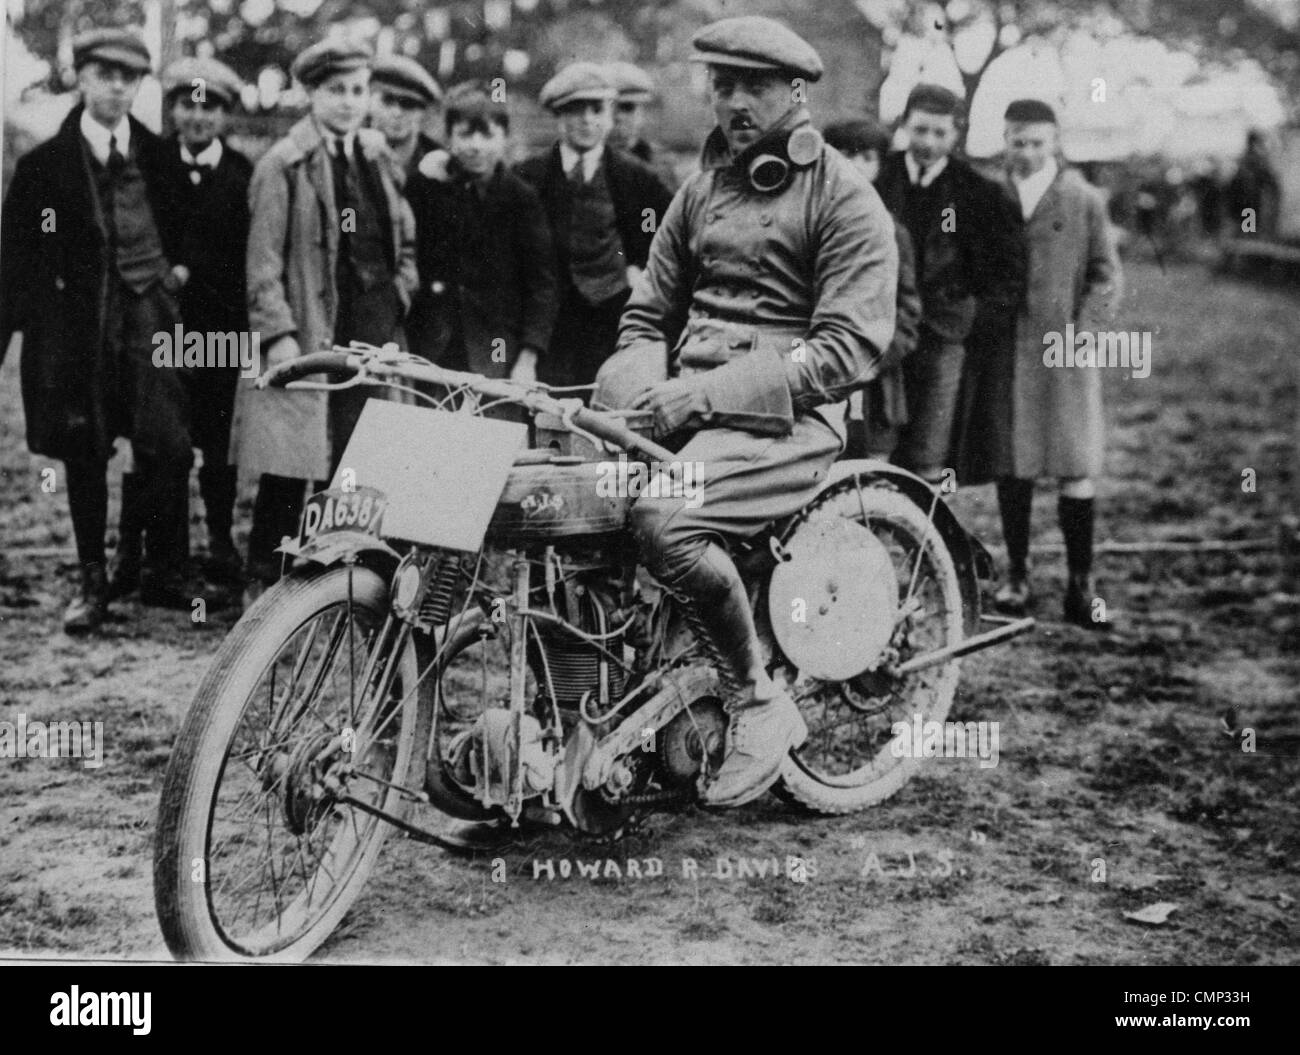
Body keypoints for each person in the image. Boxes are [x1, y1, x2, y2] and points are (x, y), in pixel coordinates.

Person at [596, 16, 898, 806]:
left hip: (789, 422)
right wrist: (625, 395)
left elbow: (840, 351)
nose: (732, 102)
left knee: (665, 517)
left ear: (795, 92)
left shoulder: (846, 200)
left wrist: (701, 395)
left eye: (752, 86)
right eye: (722, 85)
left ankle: (756, 702)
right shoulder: (700, 191)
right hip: (689, 417)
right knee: (565, 502)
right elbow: (645, 316)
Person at [0, 28, 192, 633]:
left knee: (162, 439)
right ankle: (92, 581)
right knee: (84, 450)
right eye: (104, 73)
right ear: (80, 78)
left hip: (148, 320)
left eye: (129, 76)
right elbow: (14, 263)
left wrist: (175, 275)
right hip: (76, 331)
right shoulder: (43, 168)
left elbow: (190, 230)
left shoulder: (160, 156)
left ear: (139, 85)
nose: (116, 85)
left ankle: (140, 563)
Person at [229, 38, 418, 598]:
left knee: (360, 456)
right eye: (335, 90)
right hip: (312, 329)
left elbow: (403, 240)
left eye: (358, 91)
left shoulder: (378, 159)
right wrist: (279, 335)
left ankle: (338, 580)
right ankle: (266, 582)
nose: (348, 102)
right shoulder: (284, 165)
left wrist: (398, 294)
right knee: (292, 462)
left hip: (373, 331)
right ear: (310, 93)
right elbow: (262, 264)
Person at [964, 100, 1122, 629]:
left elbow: (1105, 273)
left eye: (1036, 142)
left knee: (1075, 462)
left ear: (1054, 141)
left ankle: (1081, 584)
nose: (1026, 152)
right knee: (1015, 463)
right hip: (1007, 350)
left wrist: (1087, 331)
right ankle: (1017, 575)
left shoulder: (1082, 199)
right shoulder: (991, 195)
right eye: (1017, 141)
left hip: (1066, 350)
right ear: (1004, 140)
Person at [112, 56, 251, 598]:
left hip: (221, 327)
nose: (197, 117)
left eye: (209, 106)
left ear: (225, 114)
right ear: (171, 110)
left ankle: (220, 543)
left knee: (218, 442)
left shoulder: (243, 173)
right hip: (159, 326)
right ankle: (141, 552)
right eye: (187, 105)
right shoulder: (149, 164)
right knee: (155, 439)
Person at [875, 84, 1023, 483]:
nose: (928, 142)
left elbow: (1007, 274)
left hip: (944, 336)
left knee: (930, 448)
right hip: (879, 334)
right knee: (876, 444)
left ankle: (924, 539)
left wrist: (971, 318)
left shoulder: (979, 193)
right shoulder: (876, 179)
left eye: (940, 133)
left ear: (957, 135)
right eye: (920, 130)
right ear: (904, 125)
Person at [516, 62, 673, 391]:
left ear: (609, 114)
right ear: (558, 116)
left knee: (608, 403)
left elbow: (667, 231)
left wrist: (638, 267)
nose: (588, 120)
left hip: (612, 314)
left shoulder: (636, 176)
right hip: (548, 322)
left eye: (597, 110)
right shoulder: (528, 176)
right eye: (576, 111)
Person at [405, 82, 557, 387]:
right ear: (448, 139)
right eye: (464, 134)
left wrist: (528, 358)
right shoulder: (428, 189)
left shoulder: (521, 198)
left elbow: (542, 284)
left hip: (496, 348)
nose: (476, 146)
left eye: (487, 135)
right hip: (433, 345)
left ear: (504, 139)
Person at [823, 118, 920, 459]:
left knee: (870, 481)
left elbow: (907, 312)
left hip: (875, 384)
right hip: (819, 378)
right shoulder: (809, 226)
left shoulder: (893, 231)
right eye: (844, 155)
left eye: (866, 157)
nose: (854, 166)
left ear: (880, 166)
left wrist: (873, 358)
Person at [606, 60, 679, 192]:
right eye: (609, 109)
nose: (618, 117)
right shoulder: (586, 163)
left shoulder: (659, 163)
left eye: (627, 108)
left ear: (641, 113)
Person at [368, 54, 443, 180]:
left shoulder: (437, 163)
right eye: (388, 100)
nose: (397, 112)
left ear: (422, 113)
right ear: (370, 102)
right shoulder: (347, 150)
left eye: (408, 104)